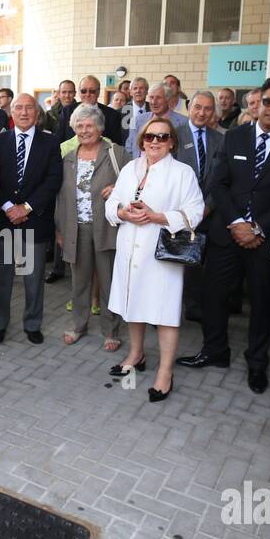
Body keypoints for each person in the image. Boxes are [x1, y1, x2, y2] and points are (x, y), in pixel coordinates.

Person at [179, 78, 270, 394]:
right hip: (227, 232)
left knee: (262, 302)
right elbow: (219, 184)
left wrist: (257, 227)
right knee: (213, 295)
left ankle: (257, 362)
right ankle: (215, 351)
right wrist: (238, 222)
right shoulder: (235, 137)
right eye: (269, 101)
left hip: (269, 240)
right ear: (259, 103)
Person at [104, 116, 205, 403]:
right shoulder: (131, 168)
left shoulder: (182, 172)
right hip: (129, 247)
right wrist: (121, 212)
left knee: (165, 312)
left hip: (162, 252)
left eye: (162, 137)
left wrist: (157, 216)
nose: (155, 142)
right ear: (142, 141)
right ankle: (136, 355)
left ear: (172, 142)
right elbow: (112, 202)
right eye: (150, 137)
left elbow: (195, 212)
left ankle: (165, 371)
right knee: (132, 303)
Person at [0, 94, 61, 345]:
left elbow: (53, 180)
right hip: (3, 219)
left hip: (34, 220)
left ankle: (32, 324)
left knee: (33, 278)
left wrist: (27, 208)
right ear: (11, 112)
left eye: (29, 108)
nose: (23, 112)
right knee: (2, 277)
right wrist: (9, 207)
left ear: (37, 113)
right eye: (18, 108)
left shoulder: (50, 143)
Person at [58, 103, 126, 350]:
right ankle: (79, 325)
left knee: (108, 281)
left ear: (100, 128)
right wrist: (60, 229)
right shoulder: (68, 157)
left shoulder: (116, 153)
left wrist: (118, 188)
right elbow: (61, 196)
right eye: (79, 126)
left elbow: (136, 184)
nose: (84, 130)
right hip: (76, 228)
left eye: (89, 125)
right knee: (80, 281)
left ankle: (110, 330)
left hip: (107, 226)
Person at [173, 90, 224, 323]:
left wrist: (207, 207)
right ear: (189, 107)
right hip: (178, 212)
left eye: (207, 108)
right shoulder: (174, 135)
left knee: (198, 264)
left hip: (207, 213)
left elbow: (222, 178)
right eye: (198, 107)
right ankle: (167, 308)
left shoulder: (220, 140)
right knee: (173, 262)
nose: (202, 113)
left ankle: (193, 306)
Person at [55, 75, 123, 146]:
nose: (87, 94)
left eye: (92, 91)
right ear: (79, 92)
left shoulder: (112, 115)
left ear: (98, 92)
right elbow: (59, 139)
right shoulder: (67, 112)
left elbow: (116, 144)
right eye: (83, 91)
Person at [121, 77, 150, 159]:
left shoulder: (154, 109)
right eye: (135, 88)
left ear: (147, 91)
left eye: (141, 88)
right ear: (130, 92)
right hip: (127, 157)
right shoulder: (121, 112)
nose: (138, 91)